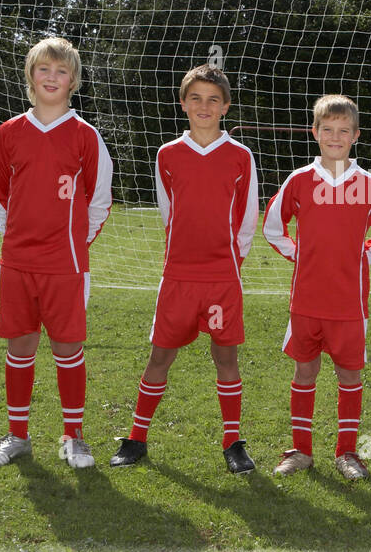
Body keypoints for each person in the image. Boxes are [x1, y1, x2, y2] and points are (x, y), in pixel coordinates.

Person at [110, 65, 259, 474]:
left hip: (222, 278)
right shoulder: (167, 154)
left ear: (225, 107)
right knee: (160, 355)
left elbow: (247, 220)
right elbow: (168, 212)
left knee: (225, 357)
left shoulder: (241, 156)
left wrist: (231, 264)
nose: (204, 106)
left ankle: (233, 442)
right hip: (178, 275)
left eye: (213, 99)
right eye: (196, 98)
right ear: (183, 104)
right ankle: (136, 437)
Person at [0, 37, 113, 469]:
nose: (51, 77)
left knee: (67, 349)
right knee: (20, 347)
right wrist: (16, 238)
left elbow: (99, 200)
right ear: (31, 77)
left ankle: (73, 438)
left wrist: (73, 243)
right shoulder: (8, 132)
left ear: (73, 80)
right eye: (43, 69)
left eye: (60, 71)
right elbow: (1, 196)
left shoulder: (85, 136)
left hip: (66, 265)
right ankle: (17, 436)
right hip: (17, 262)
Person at [263, 94, 371, 480]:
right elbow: (274, 227)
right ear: (315, 132)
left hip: (349, 305)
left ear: (355, 135)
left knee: (349, 375)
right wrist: (300, 255)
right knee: (305, 371)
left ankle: (347, 452)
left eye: (343, 131)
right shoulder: (300, 180)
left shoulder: (368, 184)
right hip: (306, 300)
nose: (335, 136)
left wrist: (359, 260)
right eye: (327, 129)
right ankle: (301, 451)